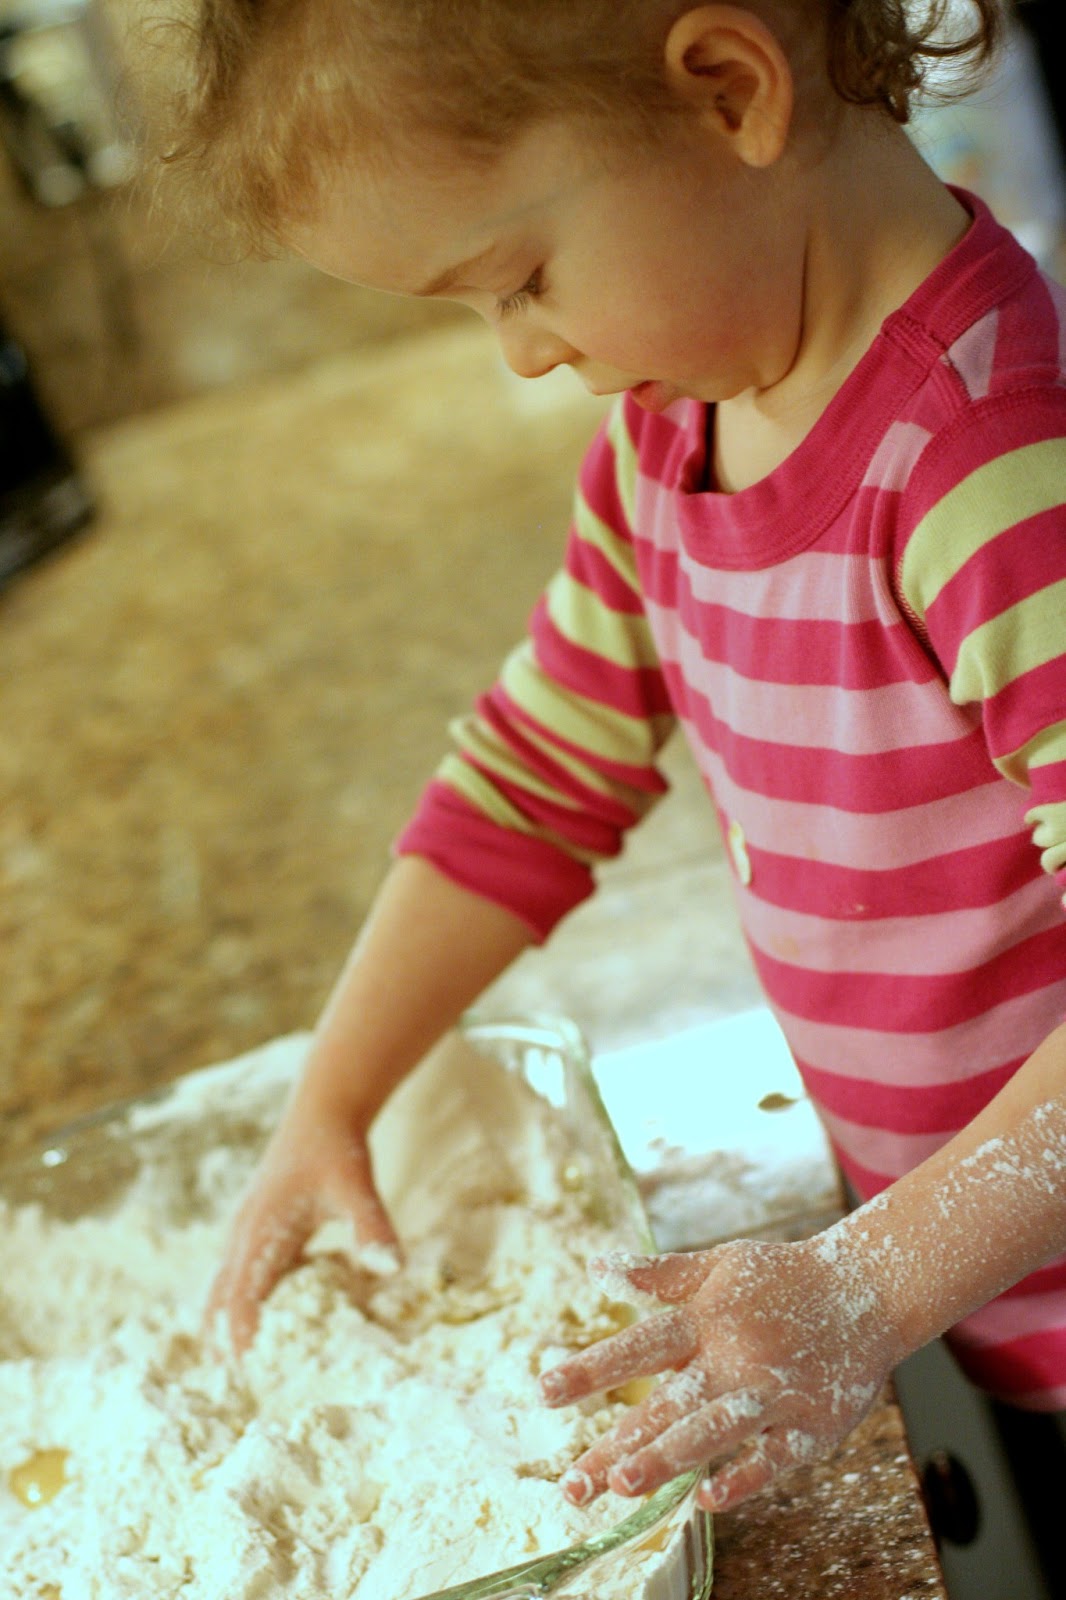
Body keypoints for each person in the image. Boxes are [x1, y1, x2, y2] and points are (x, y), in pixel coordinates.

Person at [161, 0, 1066, 1515]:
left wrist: (870, 1281)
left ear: (725, 94)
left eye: (518, 279)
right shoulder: (677, 434)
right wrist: (334, 1098)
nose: (520, 354)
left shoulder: (991, 473)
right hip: (950, 1285)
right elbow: (531, 776)